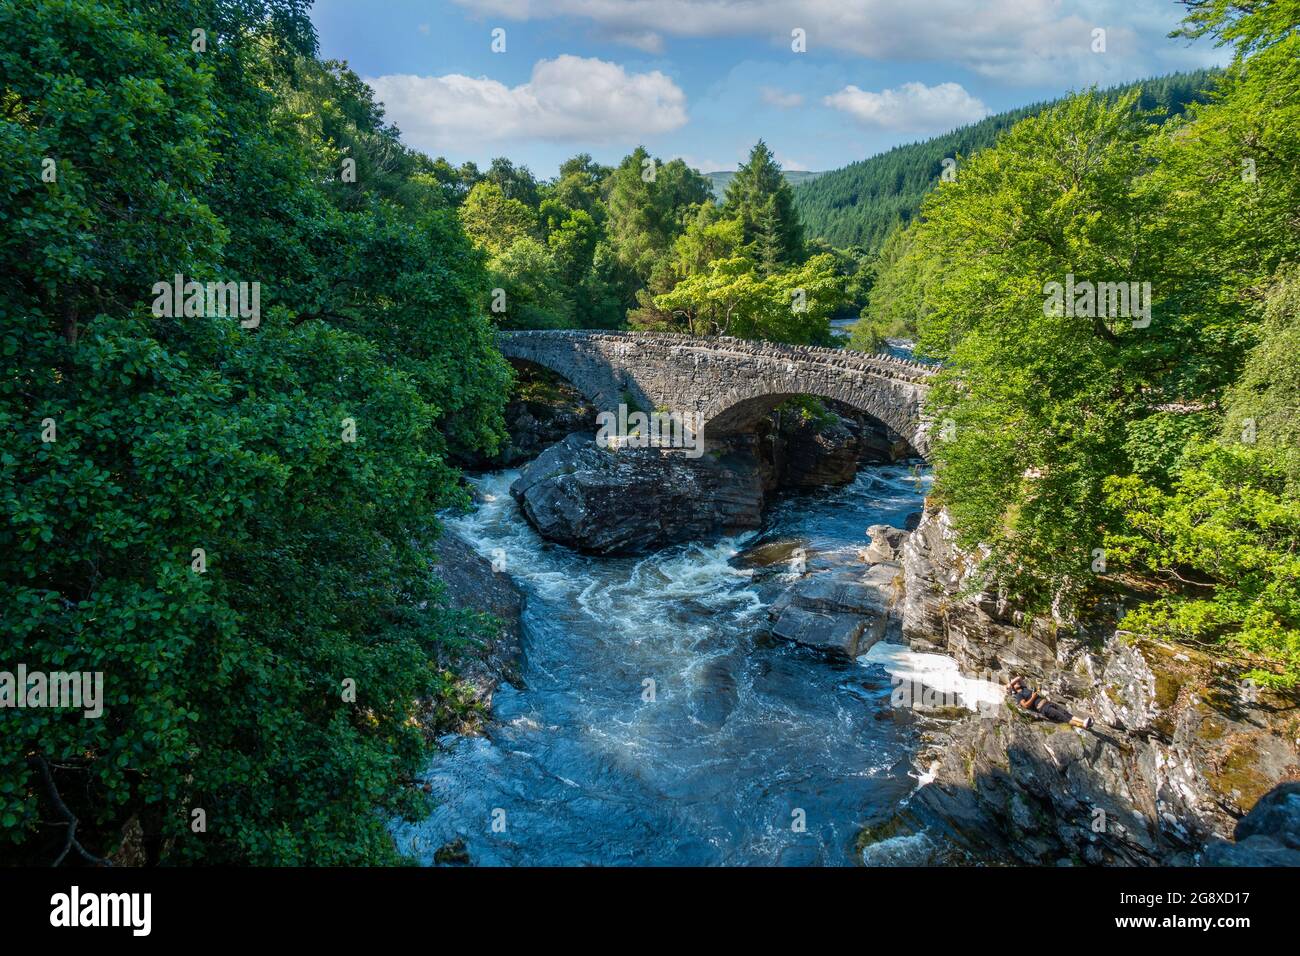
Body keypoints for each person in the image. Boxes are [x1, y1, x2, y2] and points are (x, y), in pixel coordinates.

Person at [1007, 676, 1092, 729]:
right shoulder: (1019, 695)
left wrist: (1013, 683)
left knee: (1066, 714)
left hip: (1048, 703)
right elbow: (1025, 705)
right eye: (1015, 683)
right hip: (1043, 708)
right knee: (1064, 718)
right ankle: (1083, 725)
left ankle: (1083, 721)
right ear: (1013, 687)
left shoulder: (1024, 688)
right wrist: (1033, 697)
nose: (1017, 682)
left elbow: (1018, 677)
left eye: (1017, 682)